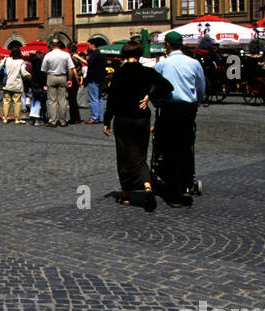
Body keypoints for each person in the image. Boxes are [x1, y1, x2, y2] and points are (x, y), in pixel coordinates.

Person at [104, 42, 174, 210]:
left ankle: (126, 195)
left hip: (123, 119)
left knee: (124, 155)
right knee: (140, 155)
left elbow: (112, 98)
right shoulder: (147, 71)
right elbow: (168, 87)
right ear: (140, 53)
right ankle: (148, 187)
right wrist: (150, 95)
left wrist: (107, 120)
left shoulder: (119, 73)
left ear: (124, 54)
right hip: (141, 119)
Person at [152, 31, 206, 207]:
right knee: (186, 147)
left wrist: (157, 102)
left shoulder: (163, 64)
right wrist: (196, 102)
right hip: (187, 110)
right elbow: (200, 87)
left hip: (169, 109)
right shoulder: (194, 63)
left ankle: (174, 191)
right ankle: (186, 185)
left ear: (167, 45)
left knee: (168, 149)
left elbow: (155, 86)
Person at [41, 38, 77, 126]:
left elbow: (43, 70)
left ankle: (53, 121)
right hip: (62, 77)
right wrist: (69, 79)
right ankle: (63, 121)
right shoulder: (66, 55)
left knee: (52, 100)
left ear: (51, 45)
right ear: (60, 45)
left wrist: (47, 77)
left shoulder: (48, 55)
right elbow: (71, 69)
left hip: (51, 76)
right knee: (62, 100)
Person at [0, 48, 27, 123]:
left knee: (6, 101)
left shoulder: (6, 60)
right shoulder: (21, 62)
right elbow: (24, 73)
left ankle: (5, 118)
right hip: (17, 84)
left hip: (7, 84)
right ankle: (17, 119)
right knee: (17, 102)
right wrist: (29, 75)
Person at [84, 45, 107, 124]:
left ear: (93, 45)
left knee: (93, 99)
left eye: (89, 44)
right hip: (100, 79)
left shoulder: (94, 54)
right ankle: (100, 117)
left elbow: (89, 63)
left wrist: (78, 57)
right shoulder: (101, 55)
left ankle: (94, 117)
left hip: (93, 79)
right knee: (99, 98)